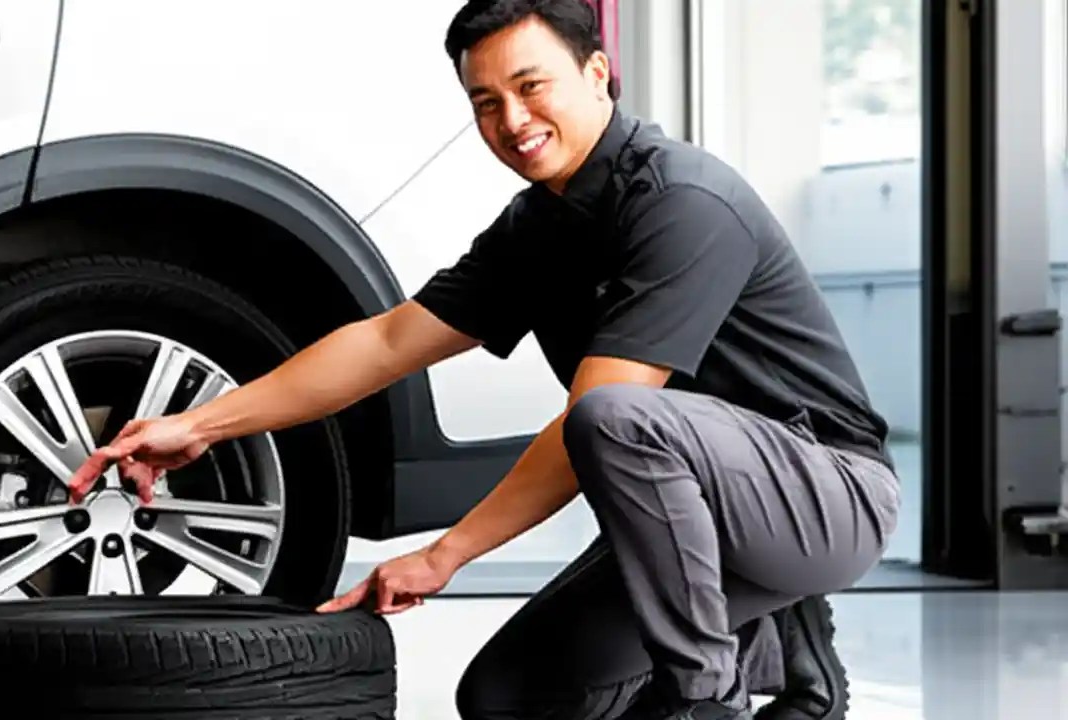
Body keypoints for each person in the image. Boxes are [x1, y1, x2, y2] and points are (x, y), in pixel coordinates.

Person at [67, 1, 901, 718]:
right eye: (486, 102)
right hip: (702, 519)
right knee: (504, 697)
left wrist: (445, 554)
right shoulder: (537, 227)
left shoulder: (685, 202)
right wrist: (200, 426)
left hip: (826, 498)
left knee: (612, 416)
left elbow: (601, 418)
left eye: (532, 87)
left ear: (598, 73)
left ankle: (705, 696)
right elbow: (388, 342)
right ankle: (782, 642)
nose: (513, 121)